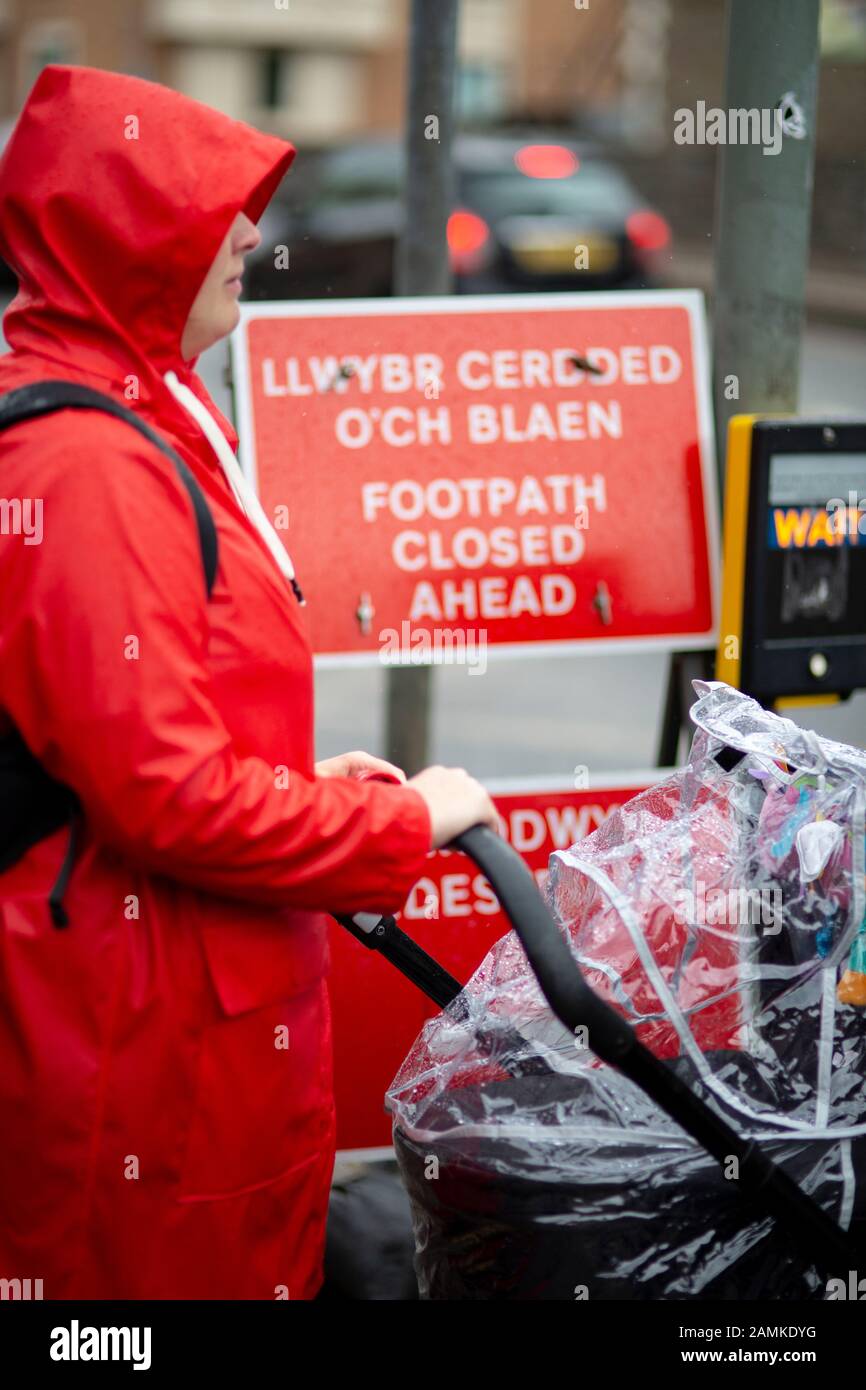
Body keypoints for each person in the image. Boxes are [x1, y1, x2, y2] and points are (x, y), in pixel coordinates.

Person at [0, 64, 497, 1300]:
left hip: (178, 1006)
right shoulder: (93, 467)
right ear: (128, 232)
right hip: (144, 1038)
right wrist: (400, 819)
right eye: (213, 203)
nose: (251, 234)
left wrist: (294, 780)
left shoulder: (129, 422)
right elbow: (162, 796)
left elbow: (133, 733)